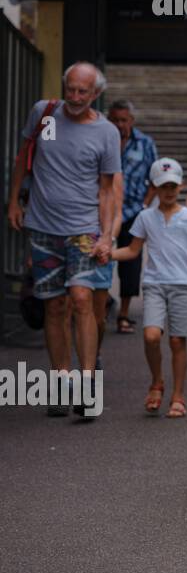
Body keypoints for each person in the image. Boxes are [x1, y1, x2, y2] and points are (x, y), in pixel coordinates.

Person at [5, 62, 121, 418]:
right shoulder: (46, 114)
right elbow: (24, 158)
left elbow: (107, 190)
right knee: (53, 306)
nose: (74, 97)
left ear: (96, 94)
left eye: (82, 92)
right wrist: (13, 201)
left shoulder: (106, 132)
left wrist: (106, 235)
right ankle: (59, 382)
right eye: (70, 89)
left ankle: (86, 385)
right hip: (42, 227)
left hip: (83, 229)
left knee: (83, 299)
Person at [112, 158, 187, 417]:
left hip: (183, 284)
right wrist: (108, 254)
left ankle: (178, 395)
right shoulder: (145, 217)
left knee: (178, 341)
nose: (168, 190)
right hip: (154, 284)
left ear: (180, 186)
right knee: (151, 336)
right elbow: (133, 250)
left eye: (172, 185)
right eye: (162, 186)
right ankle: (157, 380)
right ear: (154, 188)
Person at [107, 100, 157, 334]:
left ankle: (124, 314)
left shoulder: (145, 143)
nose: (119, 125)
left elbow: (155, 177)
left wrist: (144, 205)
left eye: (123, 120)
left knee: (130, 262)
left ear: (131, 121)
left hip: (132, 212)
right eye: (114, 120)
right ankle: (102, 299)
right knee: (102, 253)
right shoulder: (104, 139)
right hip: (104, 211)